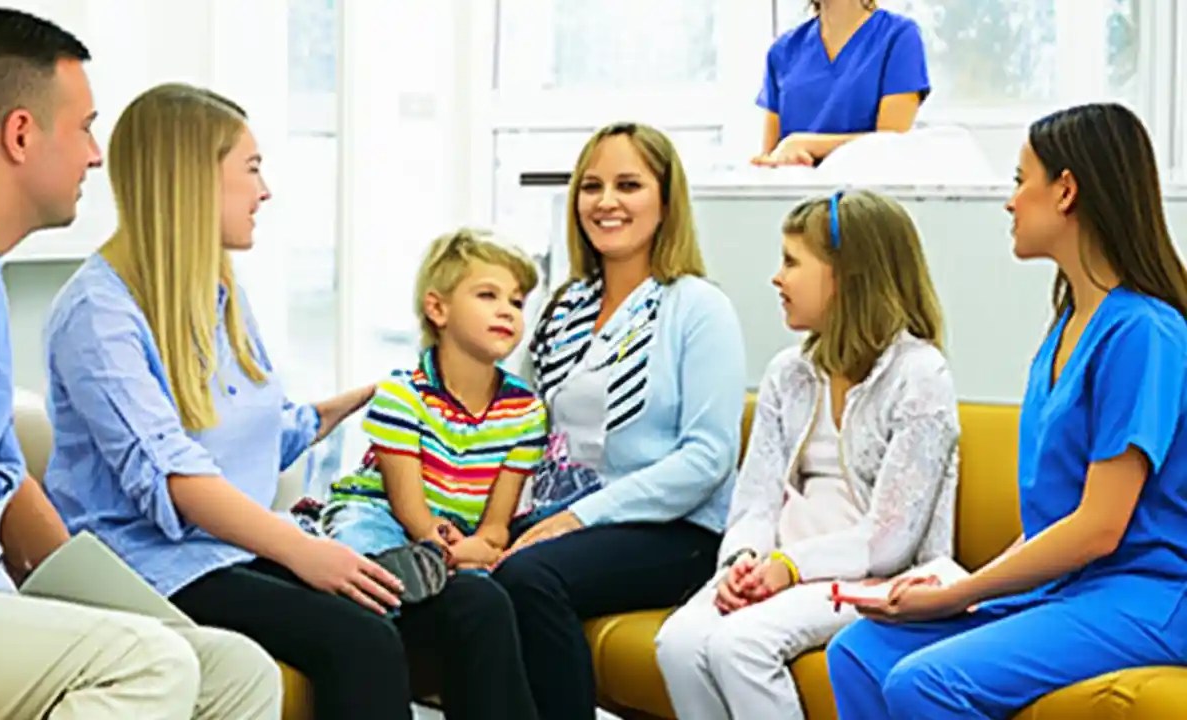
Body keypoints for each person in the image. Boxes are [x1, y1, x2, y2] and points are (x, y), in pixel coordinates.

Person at [43, 82, 538, 720]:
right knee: (359, 639)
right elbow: (176, 481)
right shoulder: (97, 314)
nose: (265, 190)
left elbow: (257, 437)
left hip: (238, 549)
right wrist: (303, 550)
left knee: (478, 604)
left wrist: (358, 402)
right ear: (192, 180)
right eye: (250, 169)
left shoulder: (219, 292)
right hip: (153, 567)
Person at [0, 9, 280, 720]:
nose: (96, 155)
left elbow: (0, 478)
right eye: (83, 128)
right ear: (21, 134)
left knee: (231, 667)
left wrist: (135, 611)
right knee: (149, 665)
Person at [825, 102, 1187, 719]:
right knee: (859, 651)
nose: (1011, 201)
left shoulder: (1145, 332)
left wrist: (962, 593)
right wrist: (953, 585)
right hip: (1073, 587)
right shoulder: (1068, 326)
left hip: (1146, 596)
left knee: (926, 682)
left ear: (1066, 190)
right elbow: (1055, 516)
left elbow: (1099, 526)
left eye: (1021, 180)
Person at [654, 189, 960, 720]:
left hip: (876, 575)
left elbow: (891, 540)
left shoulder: (920, 374)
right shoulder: (788, 373)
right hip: (780, 564)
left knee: (738, 646)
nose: (777, 277)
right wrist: (744, 561)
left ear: (846, 275)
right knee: (677, 644)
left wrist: (790, 567)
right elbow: (755, 500)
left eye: (792, 262)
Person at [494, 121, 747, 720]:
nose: (605, 202)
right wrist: (486, 525)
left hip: (678, 531)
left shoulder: (698, 307)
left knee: (529, 580)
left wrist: (578, 518)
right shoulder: (564, 307)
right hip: (565, 521)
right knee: (470, 588)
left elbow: (708, 459)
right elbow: (525, 428)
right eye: (592, 186)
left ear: (665, 202)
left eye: (628, 185)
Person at [321, 228, 548, 591]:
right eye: (488, 295)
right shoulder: (402, 395)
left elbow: (496, 523)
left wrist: (483, 545)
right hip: (383, 512)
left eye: (517, 302)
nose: (507, 310)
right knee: (363, 538)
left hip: (456, 534)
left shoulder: (527, 413)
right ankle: (400, 582)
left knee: (480, 581)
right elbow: (408, 507)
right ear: (437, 309)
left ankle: (420, 582)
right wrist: (434, 540)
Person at [751, 0, 929, 167]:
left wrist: (806, 144)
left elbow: (889, 145)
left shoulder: (899, 37)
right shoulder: (783, 51)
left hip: (862, 194)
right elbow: (770, 158)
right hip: (798, 195)